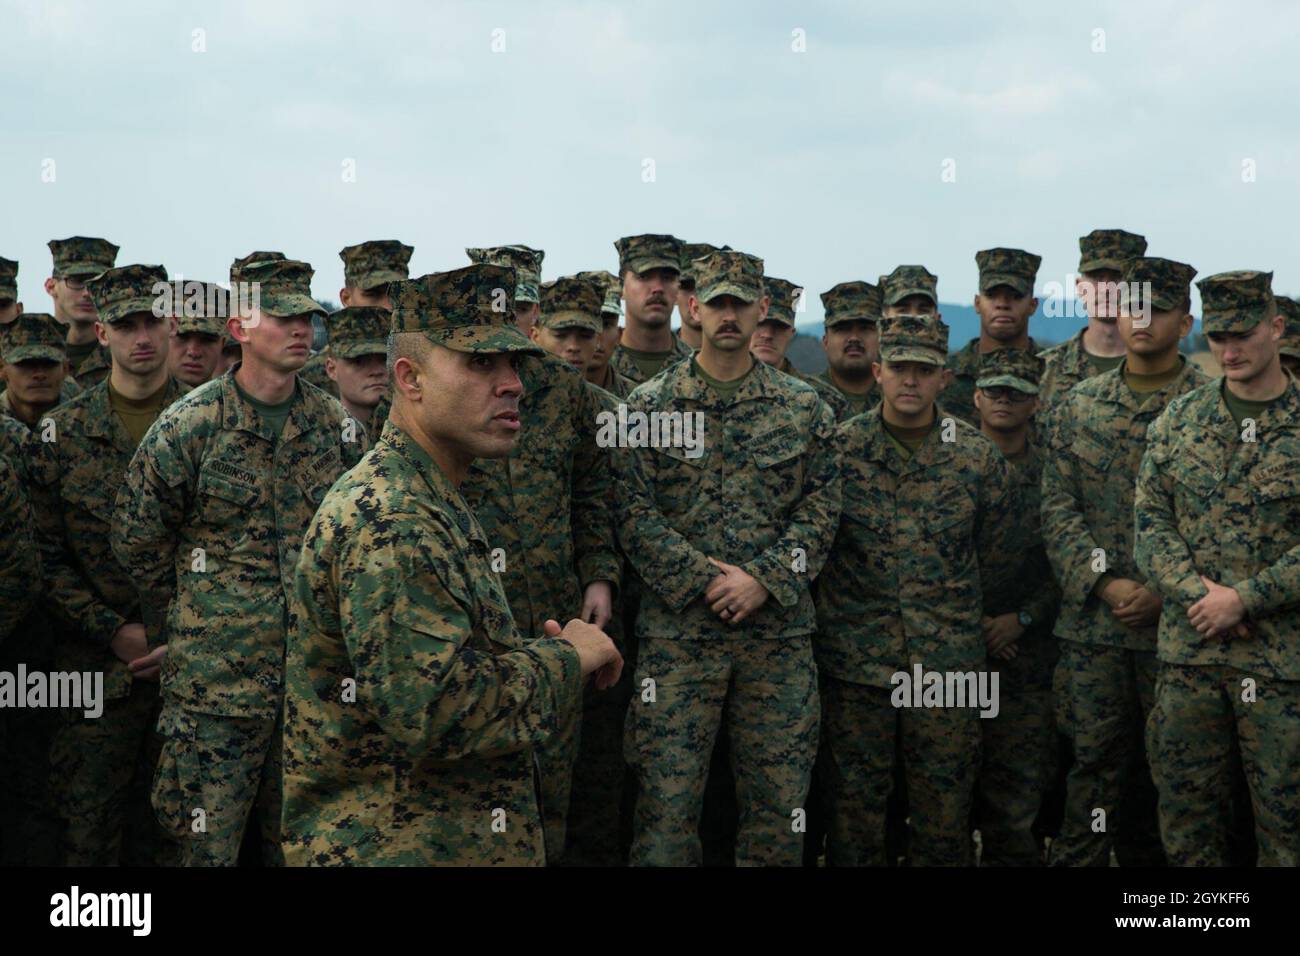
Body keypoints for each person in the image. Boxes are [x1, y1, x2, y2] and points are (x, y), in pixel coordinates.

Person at [281, 263, 621, 866]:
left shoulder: (429, 491)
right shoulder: (393, 520)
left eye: (512, 363)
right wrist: (569, 658)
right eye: (481, 363)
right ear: (409, 378)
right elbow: (437, 710)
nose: (512, 384)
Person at [112, 256, 367, 866]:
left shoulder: (337, 427)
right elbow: (138, 538)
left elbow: (357, 544)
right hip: (215, 695)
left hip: (313, 690)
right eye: (281, 317)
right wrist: (184, 627)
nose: (301, 329)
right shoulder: (190, 425)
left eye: (305, 317)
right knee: (204, 851)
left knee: (308, 851)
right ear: (240, 329)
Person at [617, 249, 841, 866]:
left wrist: (764, 580)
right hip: (678, 640)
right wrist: (704, 579)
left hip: (777, 640)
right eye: (716, 302)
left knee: (778, 813)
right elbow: (631, 510)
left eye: (741, 303)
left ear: (761, 309)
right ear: (693, 307)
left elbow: (822, 512)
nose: (729, 315)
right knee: (666, 813)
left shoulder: (803, 409)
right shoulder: (649, 408)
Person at [816, 313, 1016, 866]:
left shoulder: (975, 457)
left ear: (944, 378)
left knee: (944, 815)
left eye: (924, 370)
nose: (911, 380)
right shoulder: (837, 451)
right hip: (856, 665)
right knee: (854, 815)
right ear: (877, 371)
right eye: (900, 367)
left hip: (947, 667)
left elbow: (1000, 559)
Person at [1040, 255, 1208, 867]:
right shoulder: (1079, 405)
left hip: (1182, 633)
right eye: (1134, 306)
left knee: (1179, 779)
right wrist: (1105, 583)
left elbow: (1219, 522)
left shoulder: (1207, 406)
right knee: (1092, 770)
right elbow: (1057, 507)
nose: (1141, 320)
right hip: (1096, 630)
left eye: (1157, 310)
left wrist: (1168, 590)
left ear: (1184, 322)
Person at [1137, 269, 1300, 866]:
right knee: (1188, 823)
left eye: (1243, 335)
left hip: (1282, 666)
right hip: (1192, 658)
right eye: (1218, 337)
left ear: (1275, 328)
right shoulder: (1179, 422)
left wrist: (1247, 598)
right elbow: (1150, 526)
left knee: (1286, 824)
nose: (1229, 351)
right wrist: (1199, 596)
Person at [31, 263, 187, 865]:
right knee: (88, 838)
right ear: (102, 334)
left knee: (184, 840)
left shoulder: (212, 424)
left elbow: (238, 552)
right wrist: (112, 629)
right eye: (125, 325)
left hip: (192, 671)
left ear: (172, 326)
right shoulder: (62, 432)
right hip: (95, 675)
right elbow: (42, 558)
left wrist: (180, 636)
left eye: (152, 322)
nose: (141, 337)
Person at [969, 348, 1061, 865]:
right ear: (976, 398)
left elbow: (1065, 561)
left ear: (1036, 402)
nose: (1004, 400)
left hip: (1029, 660)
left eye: (1017, 391)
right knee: (943, 798)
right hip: (953, 652)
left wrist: (1022, 620)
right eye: (994, 390)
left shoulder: (1054, 473)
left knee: (1017, 801)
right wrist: (978, 624)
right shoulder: (948, 464)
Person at [1038, 229, 1147, 415]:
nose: (1106, 289)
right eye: (1096, 278)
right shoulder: (1043, 371)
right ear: (1080, 287)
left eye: (1118, 277)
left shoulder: (1164, 369)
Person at [944, 248, 1044, 426]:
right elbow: (941, 436)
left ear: (1033, 305)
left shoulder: (1054, 374)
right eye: (991, 295)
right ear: (977, 303)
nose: (1002, 304)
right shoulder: (945, 376)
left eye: (1015, 296)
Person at [609, 234, 692, 385]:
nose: (658, 288)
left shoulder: (697, 367)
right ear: (621, 287)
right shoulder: (598, 364)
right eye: (643, 277)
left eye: (667, 278)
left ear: (678, 288)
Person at [45, 237, 119, 386]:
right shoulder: (30, 358)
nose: (87, 293)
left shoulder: (123, 357)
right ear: (51, 287)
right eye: (77, 281)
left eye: (97, 283)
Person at [816, 281, 882, 418]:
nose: (854, 338)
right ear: (826, 342)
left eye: (865, 329)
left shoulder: (902, 398)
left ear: (881, 339)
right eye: (843, 329)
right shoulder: (802, 399)